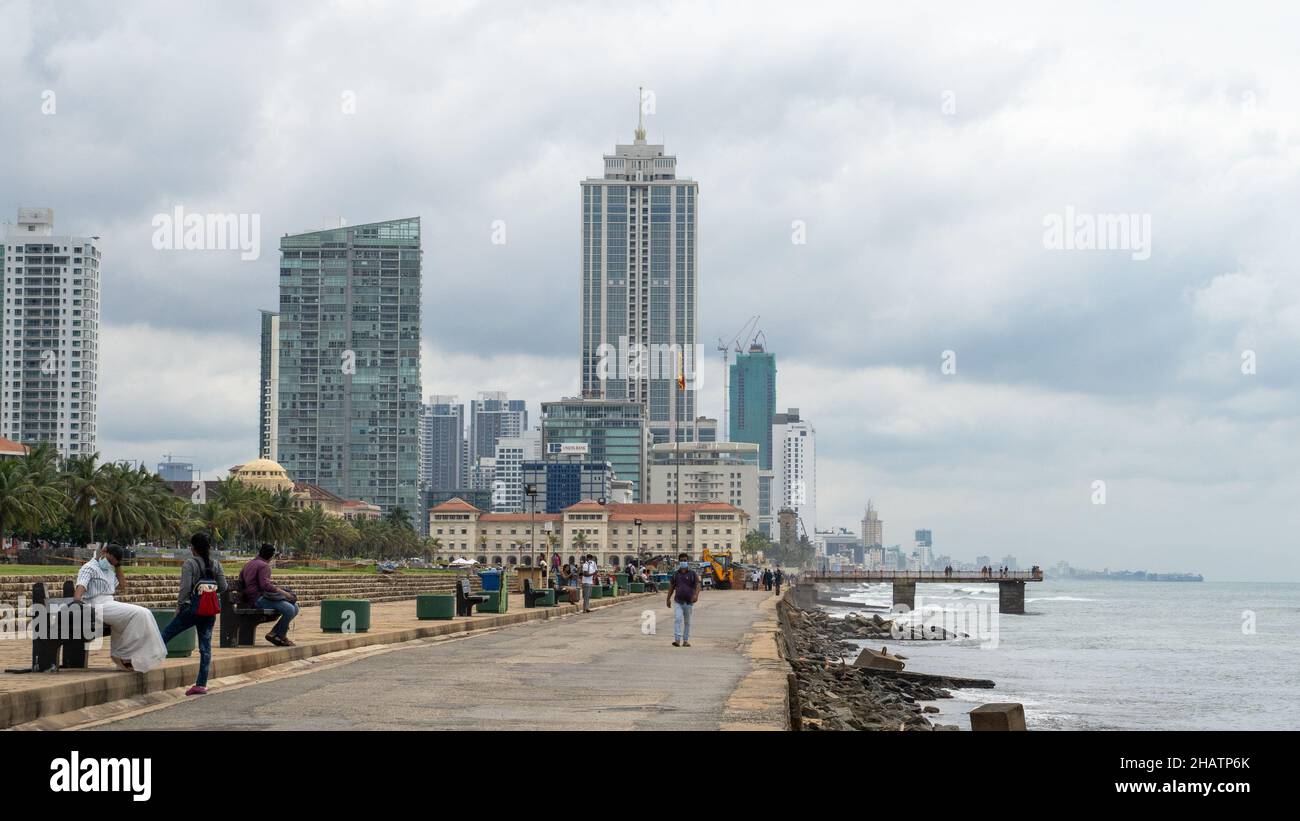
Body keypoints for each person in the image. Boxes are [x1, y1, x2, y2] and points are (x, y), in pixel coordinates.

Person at [73, 544, 168, 673]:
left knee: (141, 615)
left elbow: (122, 585)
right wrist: (77, 603)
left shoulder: (109, 571)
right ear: (103, 551)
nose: (110, 563)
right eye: (110, 560)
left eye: (113, 563)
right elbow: (81, 586)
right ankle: (123, 655)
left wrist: (117, 566)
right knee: (140, 613)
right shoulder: (89, 568)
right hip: (95, 606)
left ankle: (122, 657)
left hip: (109, 603)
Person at [160, 533, 227, 695]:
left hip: (192, 609)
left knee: (165, 635)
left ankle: (142, 662)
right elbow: (223, 587)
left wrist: (179, 606)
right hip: (209, 611)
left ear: (192, 548)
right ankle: (201, 684)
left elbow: (184, 588)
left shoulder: (190, 564)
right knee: (205, 647)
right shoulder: (216, 564)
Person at [240, 544, 299, 646]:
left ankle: (276, 633)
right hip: (258, 599)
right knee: (290, 609)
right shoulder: (264, 566)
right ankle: (279, 634)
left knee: (295, 607)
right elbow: (265, 585)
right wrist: (283, 593)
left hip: (250, 598)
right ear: (271, 557)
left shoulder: (249, 564)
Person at [666, 553, 700, 647]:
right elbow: (671, 587)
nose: (683, 562)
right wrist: (668, 599)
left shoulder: (692, 573)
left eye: (685, 560)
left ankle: (685, 640)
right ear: (679, 561)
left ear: (687, 561)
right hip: (678, 601)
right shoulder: (675, 574)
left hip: (689, 602)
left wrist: (696, 595)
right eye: (682, 560)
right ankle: (677, 640)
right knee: (677, 619)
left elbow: (697, 586)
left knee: (687, 622)